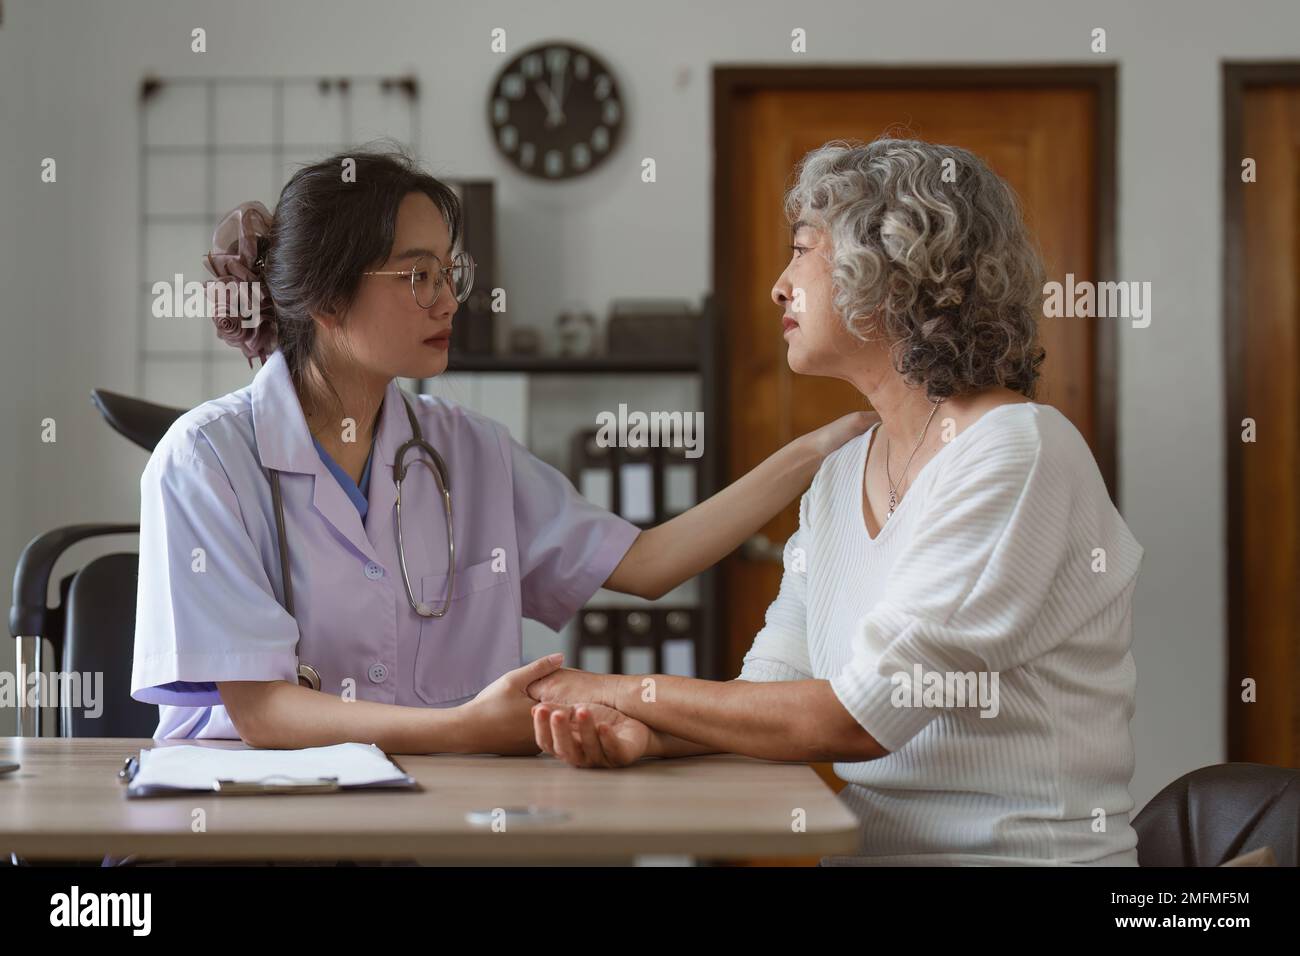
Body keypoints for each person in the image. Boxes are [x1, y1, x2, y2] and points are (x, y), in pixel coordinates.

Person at [528, 138, 1145, 866]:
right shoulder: (840, 473)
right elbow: (772, 693)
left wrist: (623, 690)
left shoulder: (1017, 451)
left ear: (894, 268)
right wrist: (645, 735)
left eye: (801, 251)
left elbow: (859, 716)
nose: (779, 286)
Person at [129, 147, 871, 751]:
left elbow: (646, 566)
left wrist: (814, 452)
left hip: (438, 816)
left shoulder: (467, 449)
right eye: (419, 276)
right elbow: (262, 711)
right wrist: (462, 728)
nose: (449, 301)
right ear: (326, 298)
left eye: (451, 274)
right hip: (253, 828)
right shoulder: (206, 460)